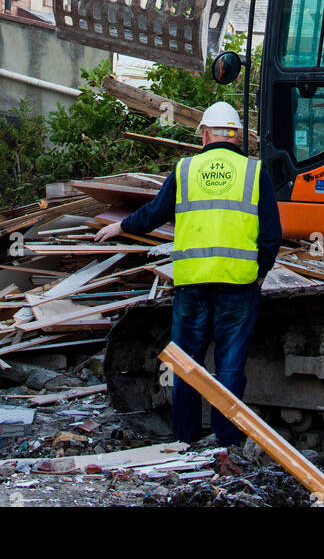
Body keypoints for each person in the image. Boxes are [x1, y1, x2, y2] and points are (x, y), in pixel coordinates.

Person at [94, 100, 281, 446]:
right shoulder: (256, 173)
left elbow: (155, 213)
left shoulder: (185, 170)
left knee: (187, 366)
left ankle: (185, 441)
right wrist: (260, 273)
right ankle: (227, 445)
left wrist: (121, 227)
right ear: (236, 136)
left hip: (192, 284)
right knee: (230, 368)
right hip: (238, 285)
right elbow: (272, 234)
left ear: (205, 134)